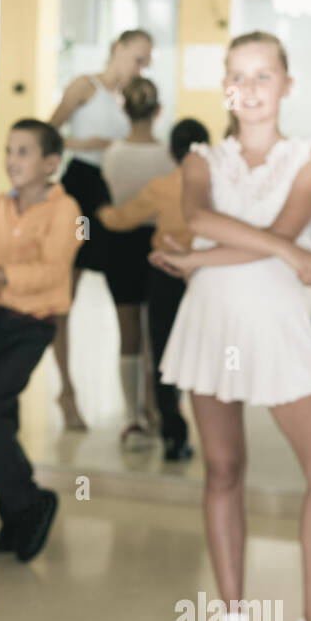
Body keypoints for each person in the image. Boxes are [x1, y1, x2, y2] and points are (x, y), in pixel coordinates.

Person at [150, 31, 311, 621]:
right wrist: (279, 255)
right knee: (223, 469)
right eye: (239, 76)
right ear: (227, 90)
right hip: (214, 320)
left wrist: (199, 257)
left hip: (278, 324)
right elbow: (200, 214)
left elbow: (284, 235)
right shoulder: (202, 158)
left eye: (265, 75)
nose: (253, 88)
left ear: (287, 84)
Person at [0, 119, 82, 561]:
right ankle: (13, 515)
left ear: (51, 163)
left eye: (24, 152)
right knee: (2, 416)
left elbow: (53, 272)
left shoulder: (65, 209)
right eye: (10, 151)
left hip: (34, 324)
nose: (12, 160)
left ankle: (31, 501)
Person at [47, 29, 153, 431]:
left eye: (145, 62)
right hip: (79, 188)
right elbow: (46, 133)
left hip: (115, 192)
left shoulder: (135, 102)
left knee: (126, 296)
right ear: (118, 49)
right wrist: (82, 142)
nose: (140, 67)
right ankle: (68, 392)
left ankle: (140, 405)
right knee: (65, 296)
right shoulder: (85, 87)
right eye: (137, 58)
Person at [99, 118, 210, 462]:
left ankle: (174, 436)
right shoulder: (217, 187)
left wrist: (98, 208)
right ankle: (214, 433)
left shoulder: (163, 186)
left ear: (169, 151)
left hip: (166, 275)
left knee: (164, 356)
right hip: (208, 275)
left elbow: (121, 219)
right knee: (204, 357)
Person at [99, 77, 175, 451]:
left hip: (120, 246)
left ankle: (132, 418)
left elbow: (114, 203)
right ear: (158, 111)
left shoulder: (112, 153)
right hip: (158, 244)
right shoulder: (167, 156)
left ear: (124, 110)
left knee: (128, 332)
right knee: (156, 335)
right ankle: (158, 410)